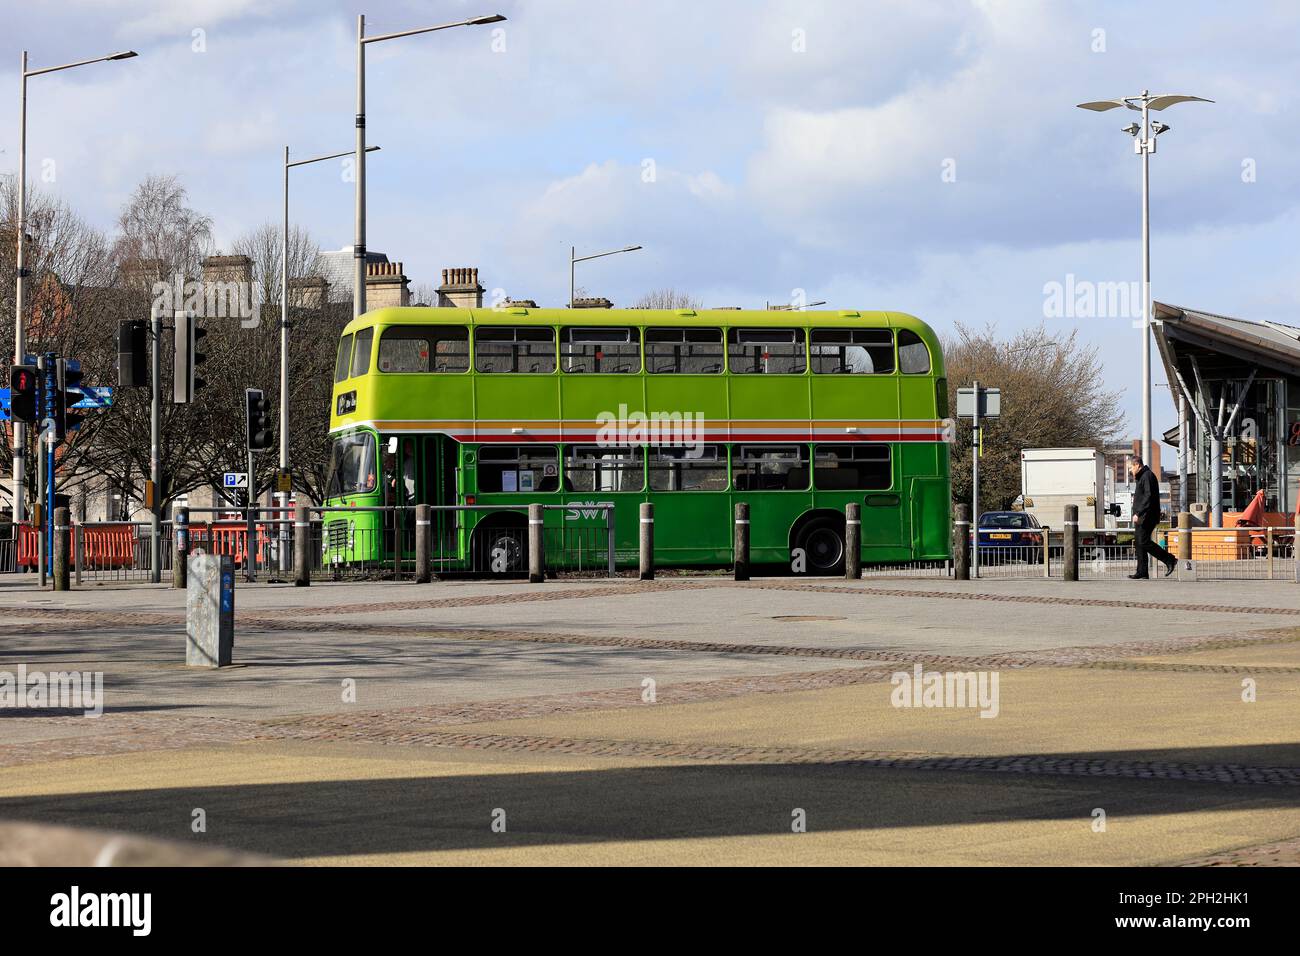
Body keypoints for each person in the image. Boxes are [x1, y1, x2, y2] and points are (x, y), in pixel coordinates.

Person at [1129, 456, 1175, 579]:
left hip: (1147, 516)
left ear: (1137, 465)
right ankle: (1142, 571)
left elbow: (1148, 497)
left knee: (1143, 541)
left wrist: (1138, 512)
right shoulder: (1142, 477)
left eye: (1131, 467)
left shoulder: (1147, 476)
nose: (1130, 470)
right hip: (1142, 516)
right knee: (1139, 542)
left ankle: (1169, 559)